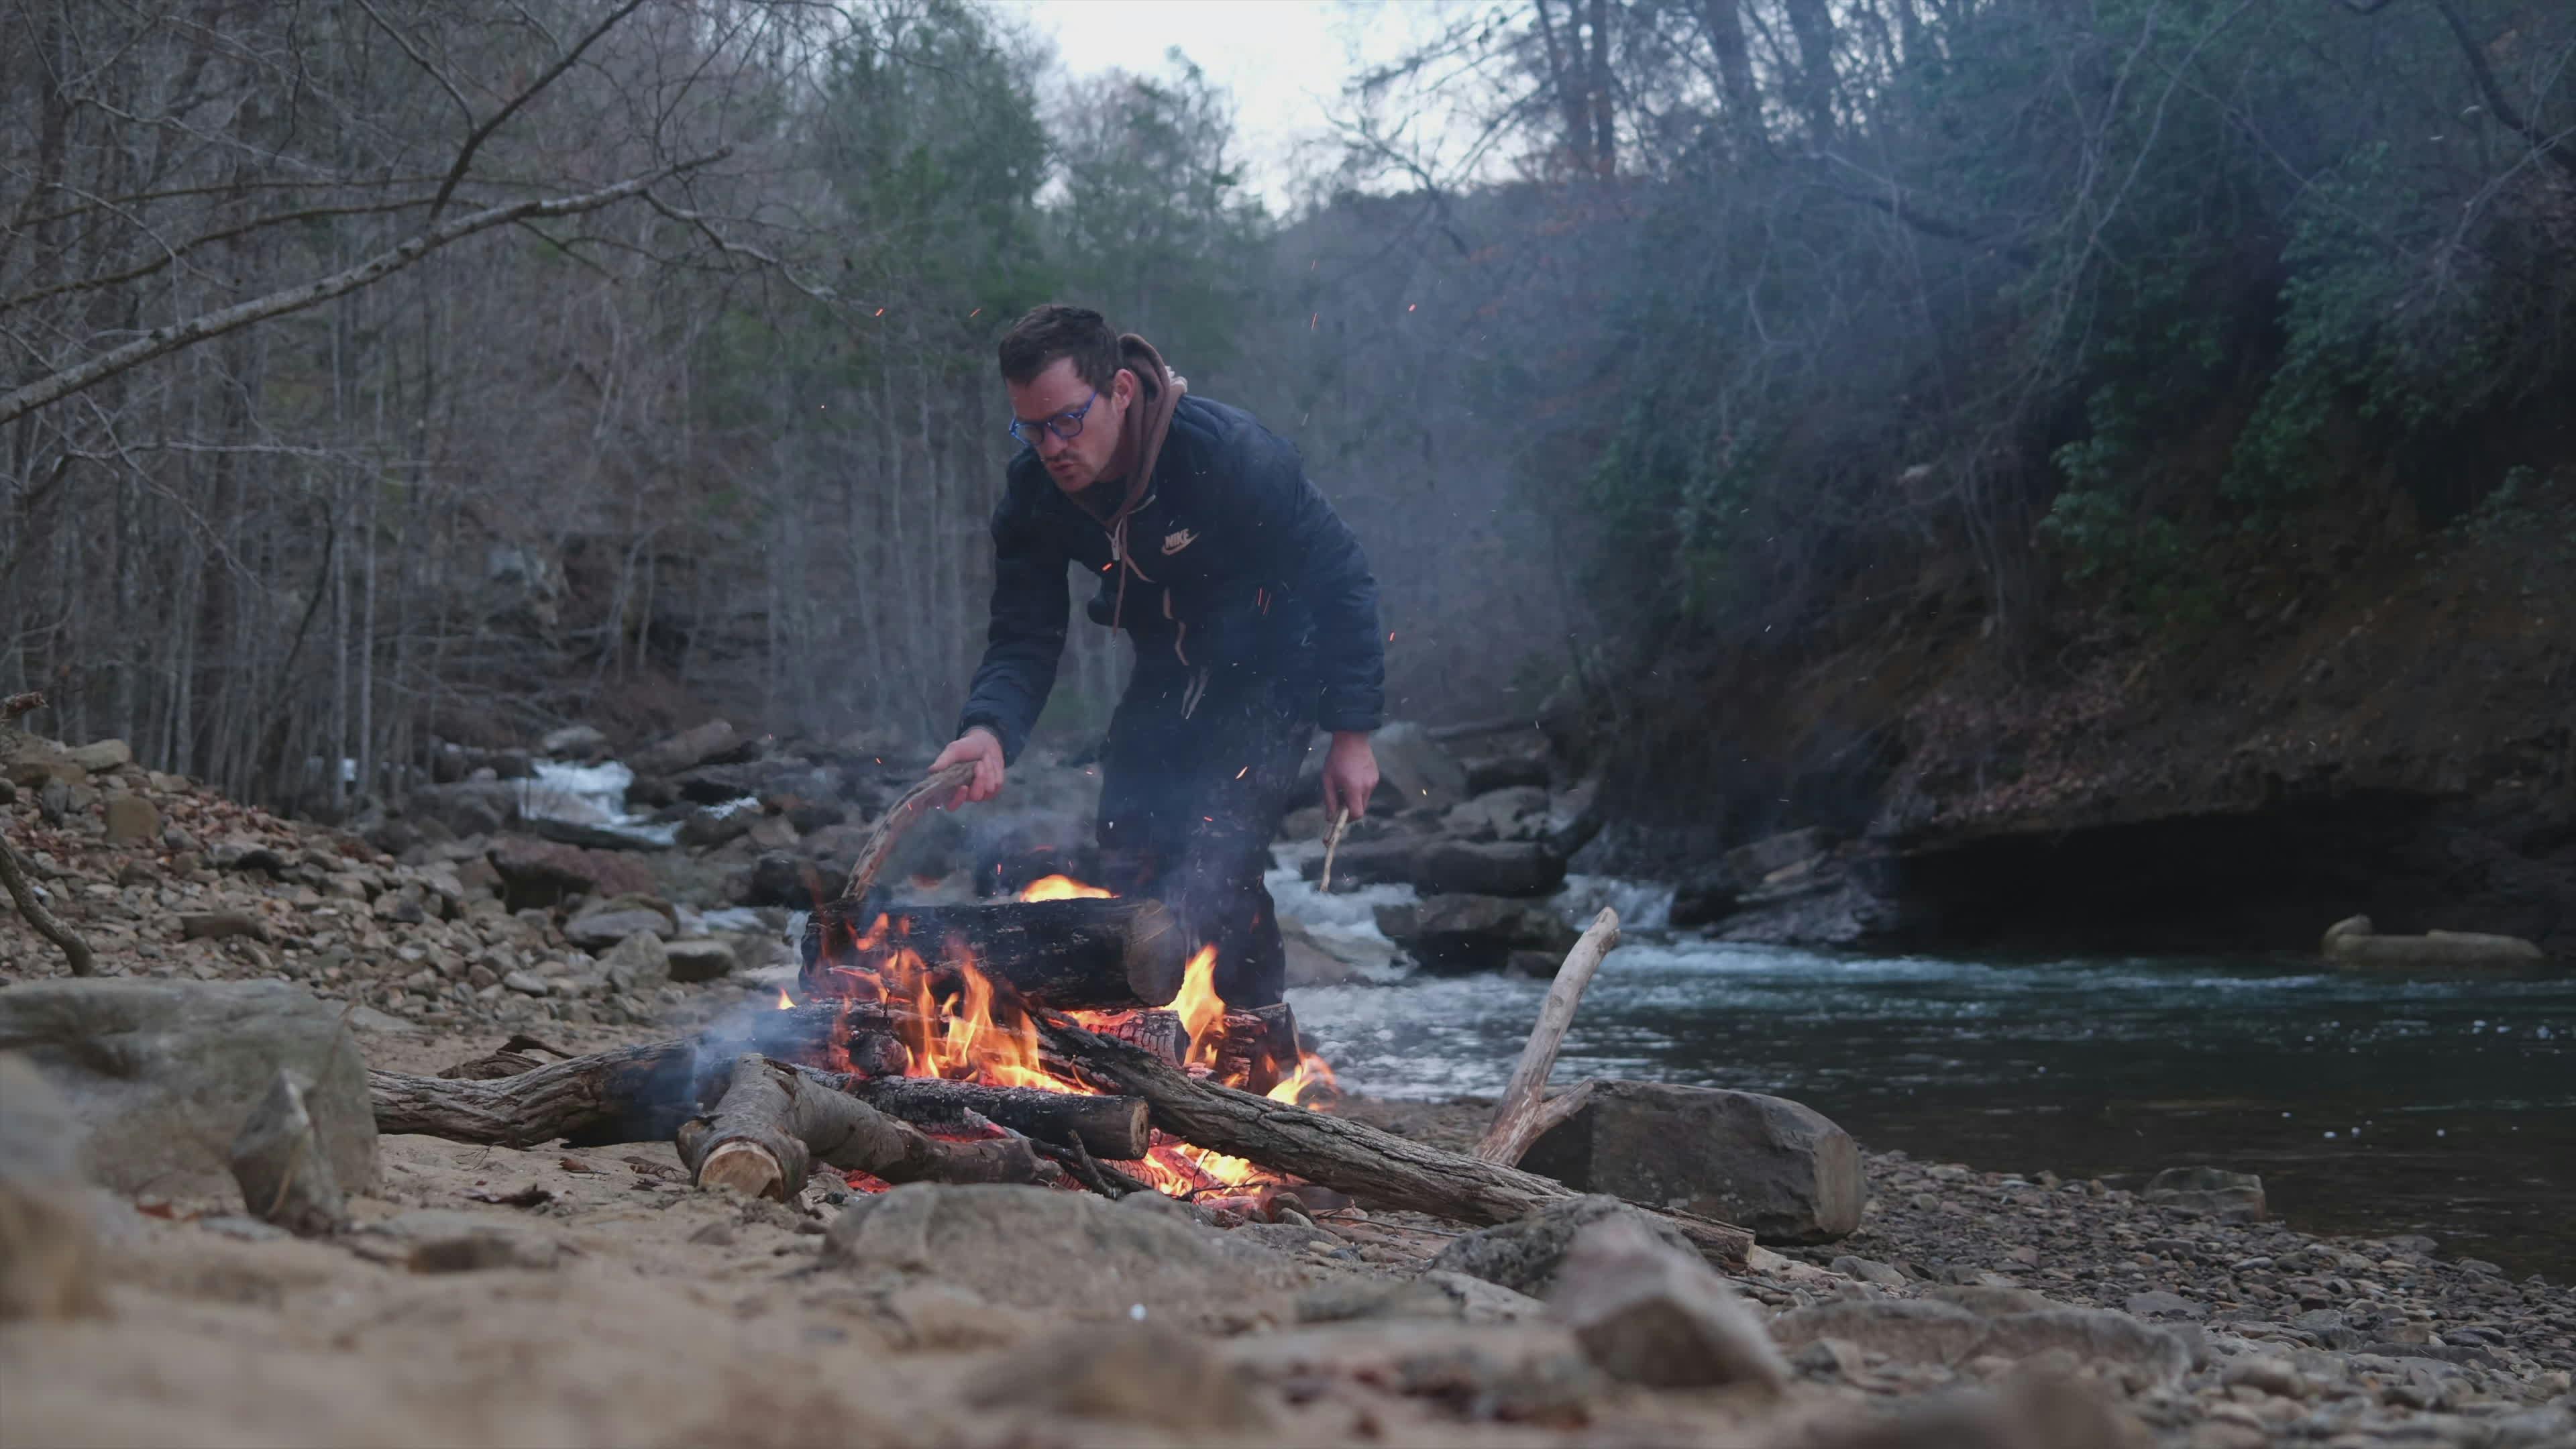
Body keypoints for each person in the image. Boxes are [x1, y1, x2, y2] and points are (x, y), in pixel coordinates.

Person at [929, 305, 1384, 1006]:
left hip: (1273, 671)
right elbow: (1024, 633)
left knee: (1216, 862)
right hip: (1168, 671)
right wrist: (987, 730)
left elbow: (1341, 576)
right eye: (1031, 427)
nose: (1051, 447)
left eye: (1066, 421)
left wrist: (1351, 732)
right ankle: (1150, 1044)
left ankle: (1255, 1052)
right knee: (1128, 846)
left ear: (1119, 392)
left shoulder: (1228, 455)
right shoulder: (1034, 497)